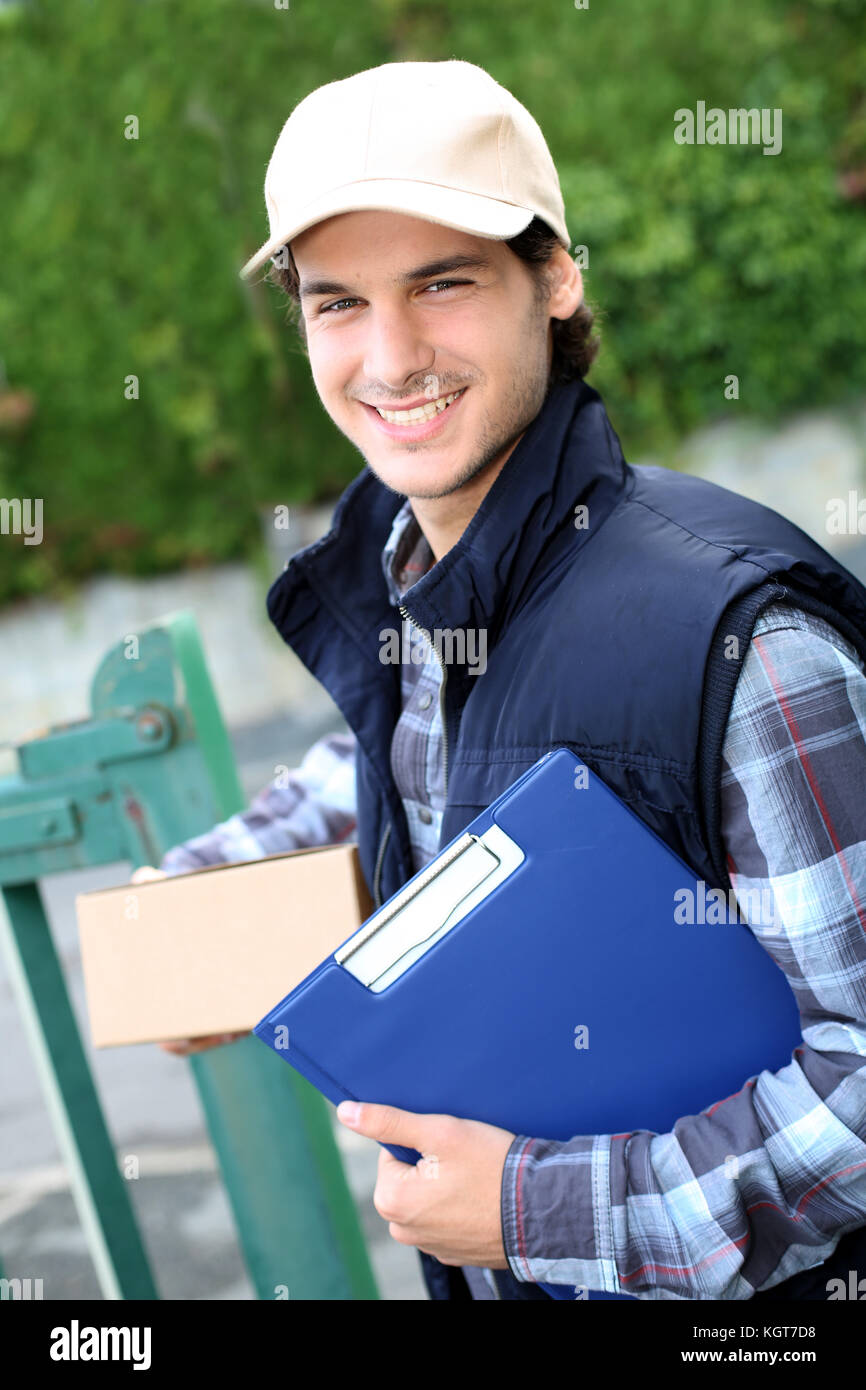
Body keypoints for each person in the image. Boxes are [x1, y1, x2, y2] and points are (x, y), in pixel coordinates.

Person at [138, 59, 866, 1301]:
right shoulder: (414, 585)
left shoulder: (746, 644)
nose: (389, 354)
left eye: (441, 283)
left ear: (555, 273)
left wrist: (532, 1209)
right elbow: (413, 762)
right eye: (336, 304)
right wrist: (208, 897)